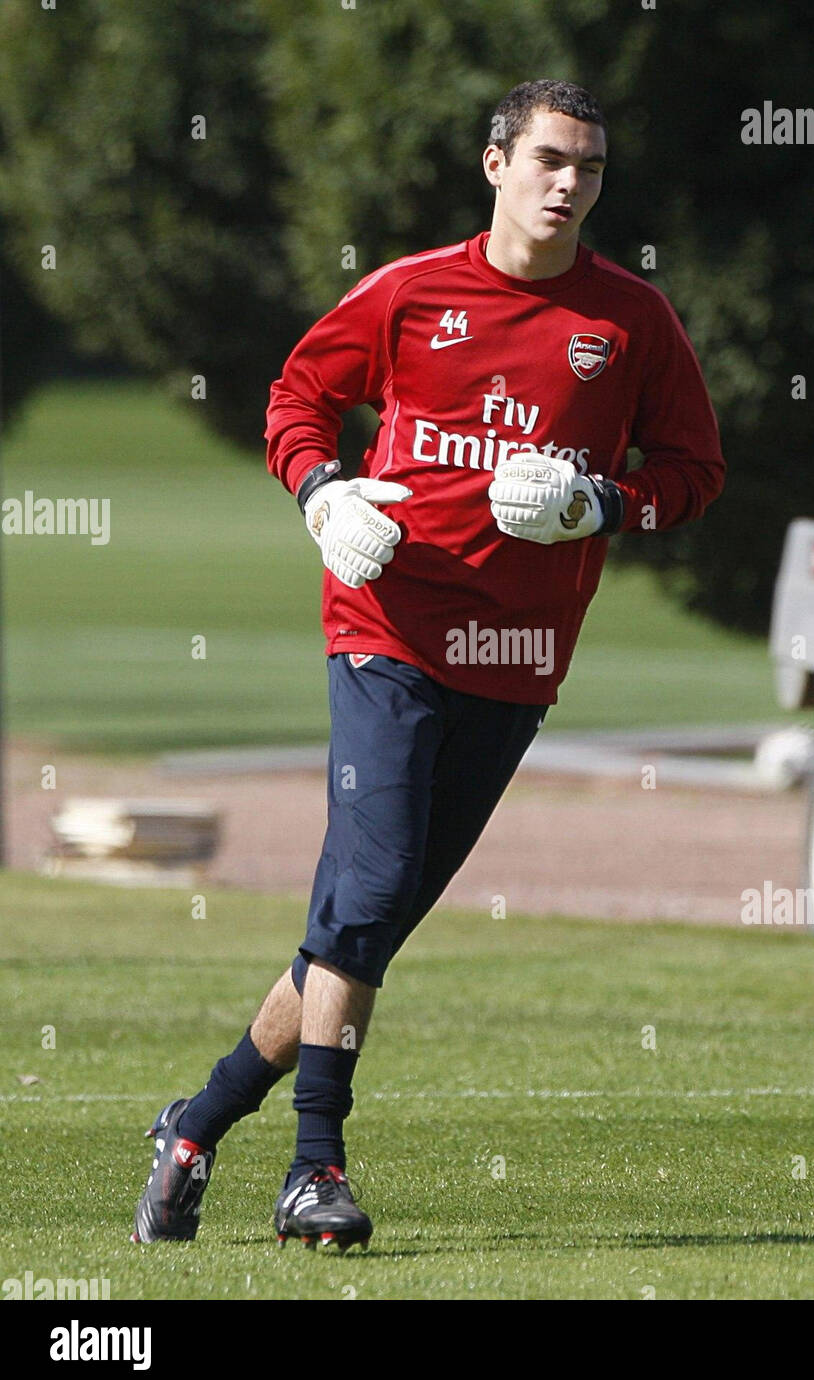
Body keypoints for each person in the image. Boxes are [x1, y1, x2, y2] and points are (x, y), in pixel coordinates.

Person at [132, 78, 726, 1251]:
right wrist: (320, 492)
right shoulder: (407, 293)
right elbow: (298, 397)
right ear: (494, 164)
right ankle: (315, 1170)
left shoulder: (629, 322)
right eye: (549, 159)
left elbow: (694, 471)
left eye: (590, 169)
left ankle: (194, 1127)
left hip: (514, 660)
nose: (569, 184)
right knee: (373, 887)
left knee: (360, 920)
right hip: (385, 629)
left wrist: (603, 499)